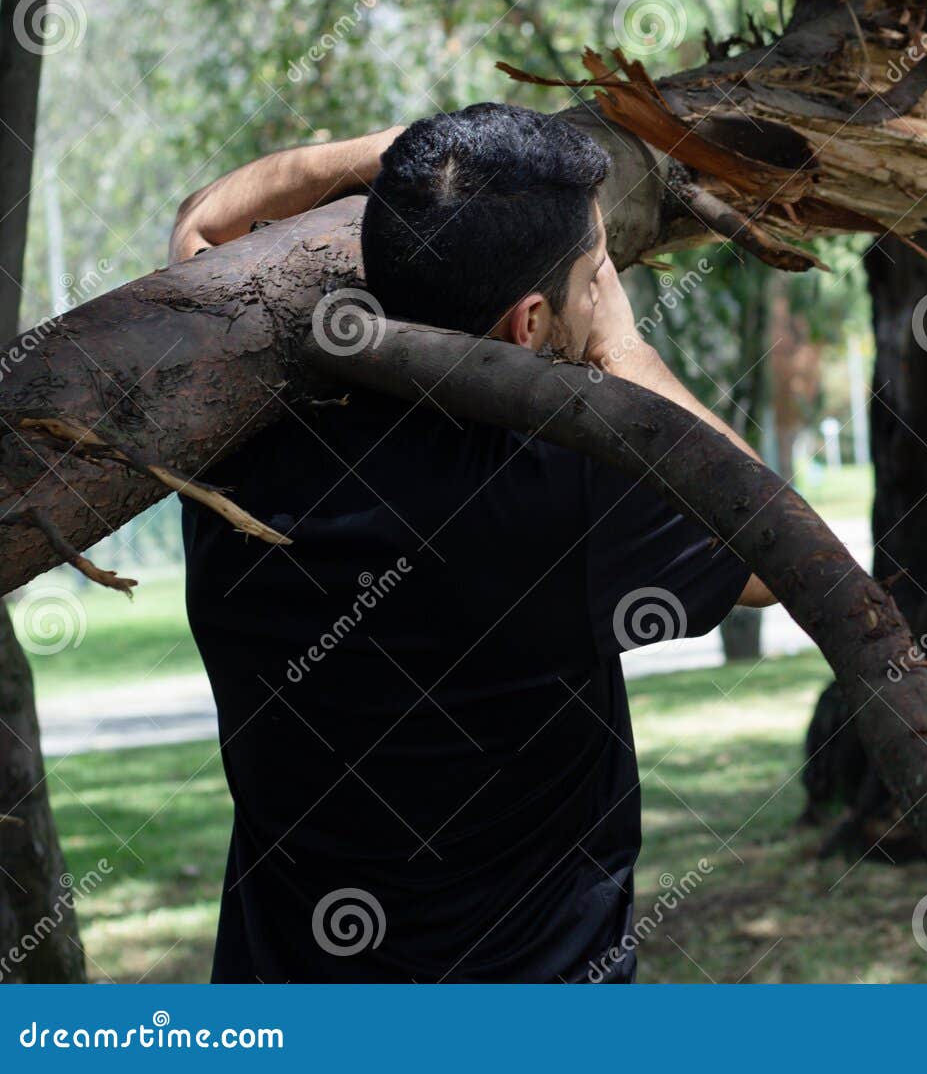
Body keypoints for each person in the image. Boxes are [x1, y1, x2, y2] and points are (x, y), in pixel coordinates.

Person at [170, 102, 774, 982]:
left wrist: (401, 162)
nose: (605, 291)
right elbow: (770, 549)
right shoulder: (555, 496)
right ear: (529, 324)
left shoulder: (238, 437)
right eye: (597, 274)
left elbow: (203, 222)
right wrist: (623, 347)